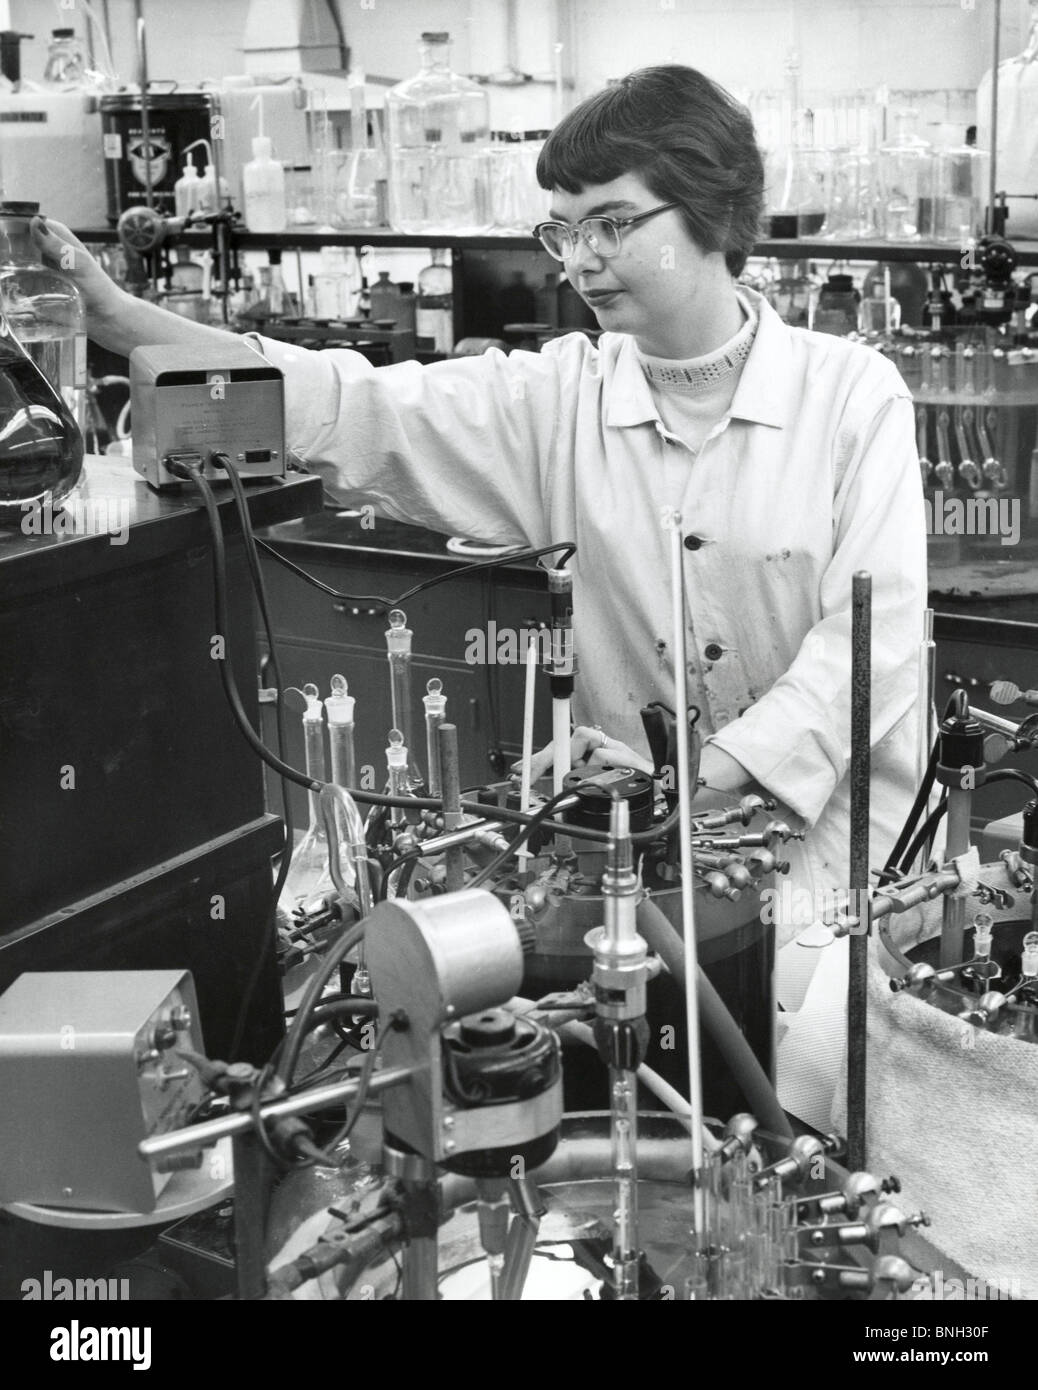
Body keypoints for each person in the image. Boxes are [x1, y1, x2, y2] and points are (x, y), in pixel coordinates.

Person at [36, 66, 926, 1115]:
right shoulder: (567, 395)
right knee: (618, 1090)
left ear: (714, 209)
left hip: (833, 859)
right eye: (564, 231)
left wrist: (696, 778)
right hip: (638, 865)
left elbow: (869, 654)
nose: (581, 260)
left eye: (609, 223)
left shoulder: (849, 396)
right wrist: (116, 316)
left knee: (817, 1085)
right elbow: (352, 404)